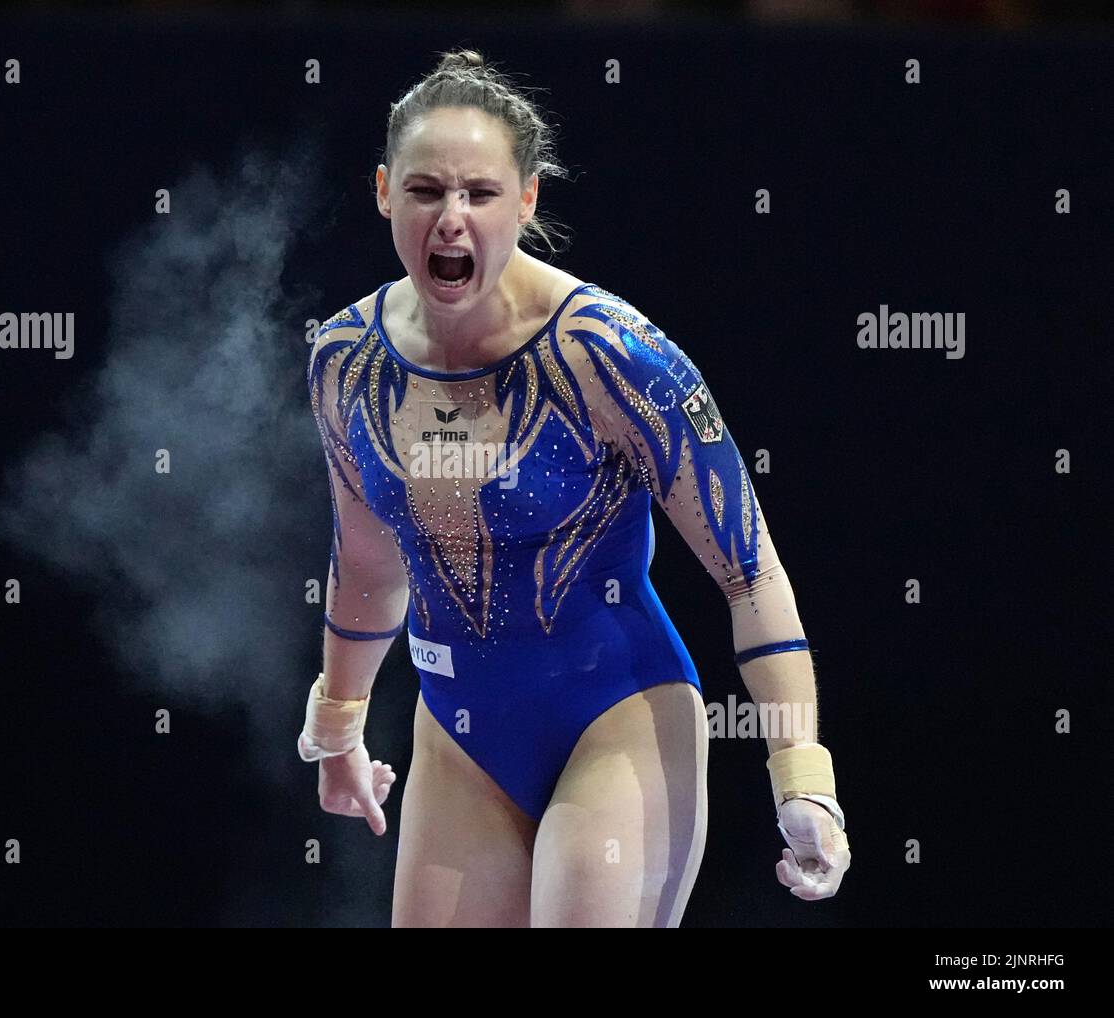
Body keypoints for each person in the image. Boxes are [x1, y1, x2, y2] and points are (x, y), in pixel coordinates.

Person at [299, 48, 851, 927]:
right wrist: (338, 722)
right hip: (459, 731)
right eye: (425, 191)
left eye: (480, 194)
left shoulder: (610, 356)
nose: (451, 220)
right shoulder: (344, 360)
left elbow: (751, 574)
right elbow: (368, 559)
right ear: (381, 191)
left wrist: (802, 775)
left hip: (614, 717)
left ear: (527, 199)